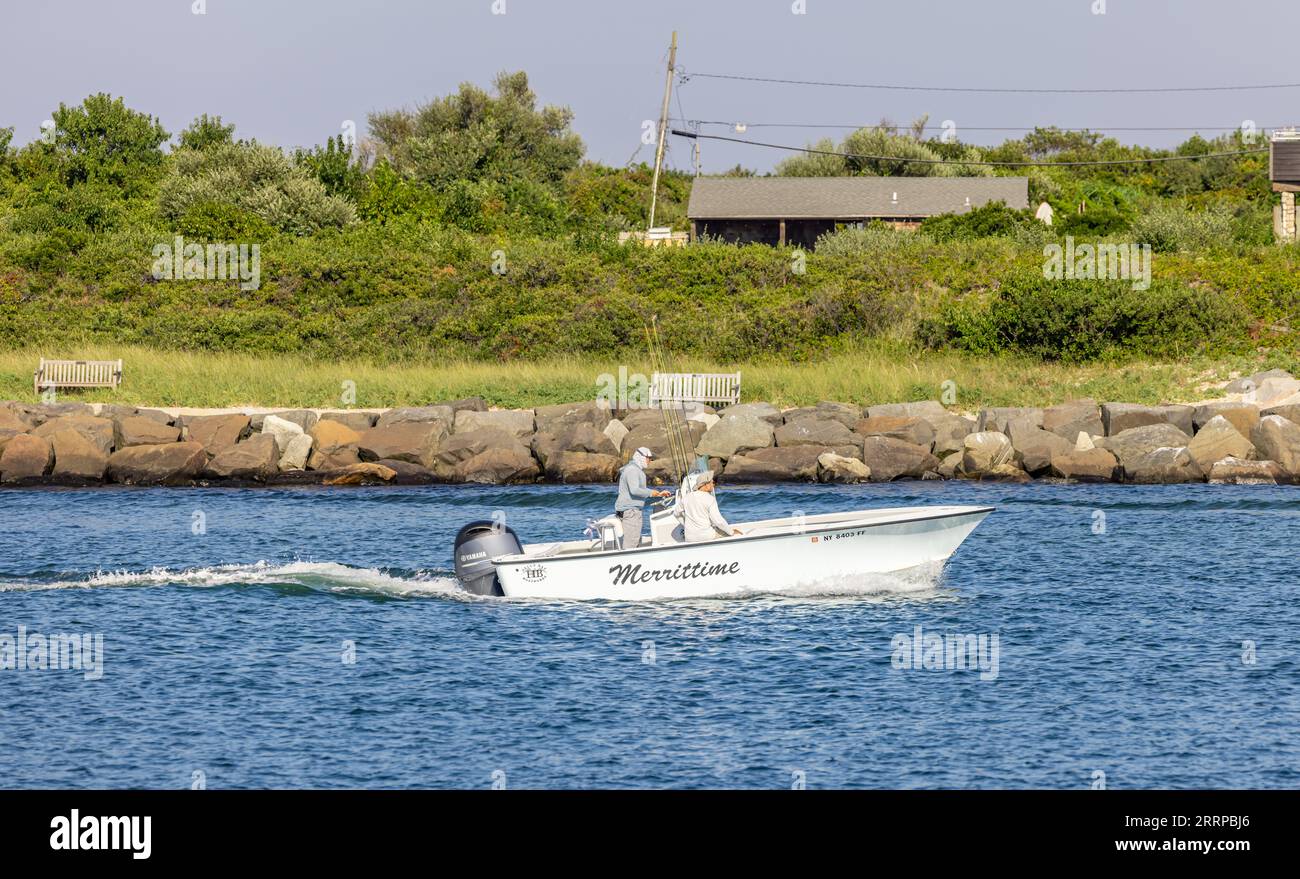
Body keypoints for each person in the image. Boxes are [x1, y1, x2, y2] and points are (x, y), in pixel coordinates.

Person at [615, 446, 670, 548]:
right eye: (648, 458)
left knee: (633, 541)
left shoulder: (634, 469)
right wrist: (650, 493)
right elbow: (634, 490)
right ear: (640, 457)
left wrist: (658, 493)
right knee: (631, 545)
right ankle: (628, 563)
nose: (650, 461)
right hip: (630, 512)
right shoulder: (632, 470)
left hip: (631, 511)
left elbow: (638, 490)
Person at [679, 470, 743, 543]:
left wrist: (686, 525)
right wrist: (731, 532)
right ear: (706, 485)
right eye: (712, 482)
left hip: (689, 538)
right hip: (706, 536)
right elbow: (718, 521)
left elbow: (676, 513)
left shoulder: (686, 497)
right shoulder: (710, 499)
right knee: (736, 534)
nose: (714, 485)